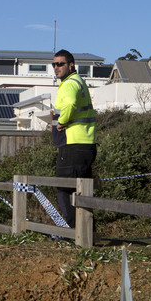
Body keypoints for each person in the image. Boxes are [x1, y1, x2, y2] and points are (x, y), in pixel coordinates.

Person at [51, 49, 97, 229]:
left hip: (72, 144)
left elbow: (69, 104)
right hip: (86, 145)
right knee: (83, 192)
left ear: (71, 65)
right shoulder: (80, 82)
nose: (56, 67)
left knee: (64, 190)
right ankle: (88, 233)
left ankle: (76, 233)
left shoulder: (69, 84)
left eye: (60, 64)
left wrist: (60, 122)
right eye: (54, 64)